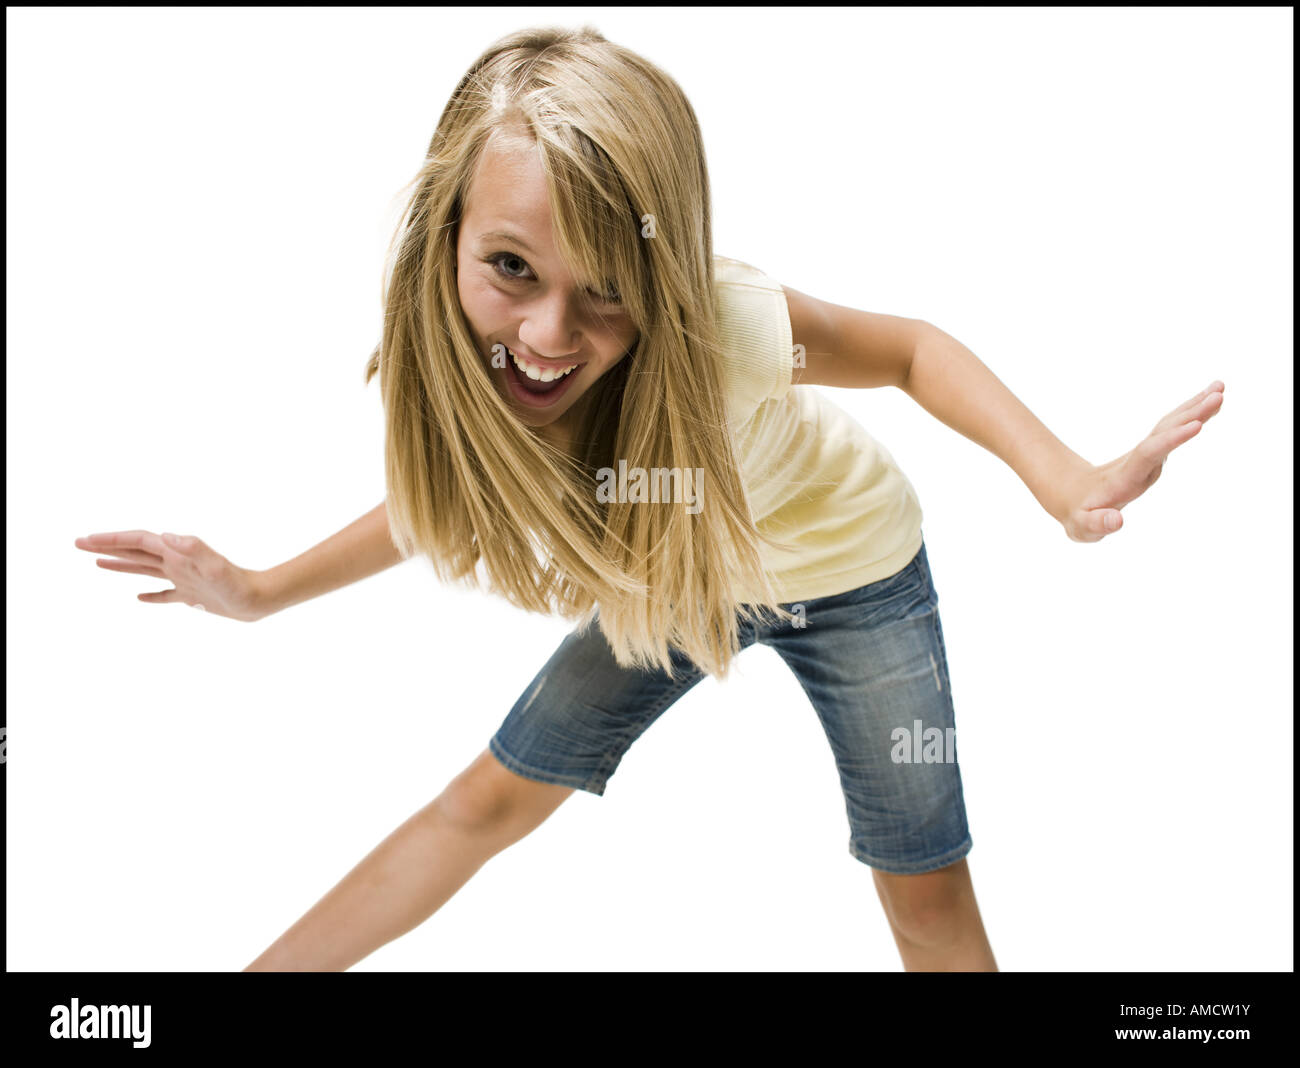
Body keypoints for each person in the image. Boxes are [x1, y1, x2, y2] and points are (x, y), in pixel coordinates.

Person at [74, 26, 1224, 972]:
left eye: (607, 290)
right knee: (483, 804)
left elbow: (913, 350)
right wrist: (260, 592)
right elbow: (445, 506)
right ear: (449, 235)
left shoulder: (730, 330)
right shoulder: (473, 372)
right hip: (681, 582)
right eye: (511, 268)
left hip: (855, 573)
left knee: (921, 886)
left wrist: (1065, 479)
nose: (547, 336)